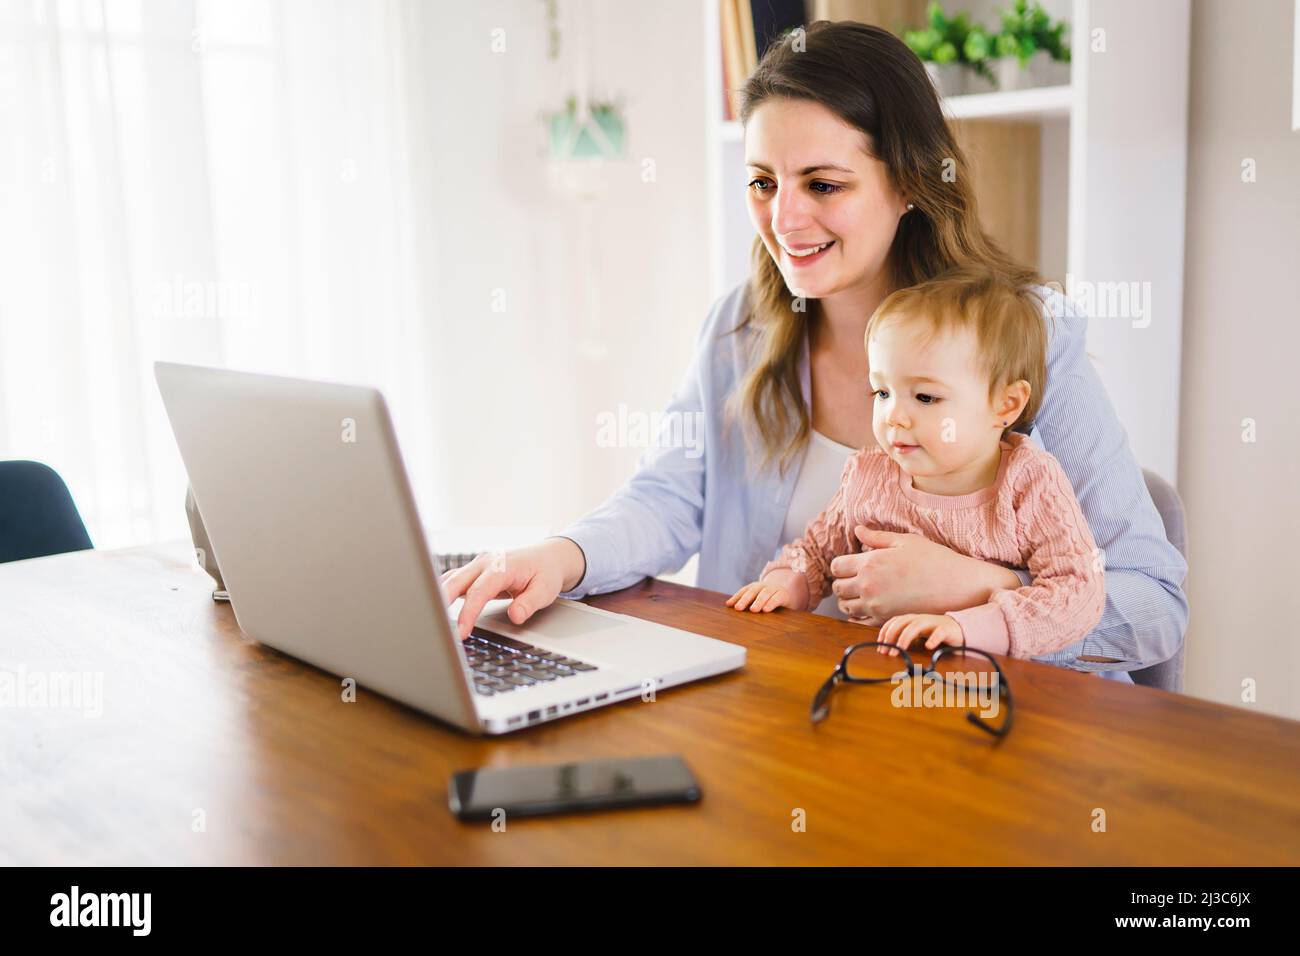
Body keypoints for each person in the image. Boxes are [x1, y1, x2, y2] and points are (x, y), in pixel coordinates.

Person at [442, 21, 1186, 682]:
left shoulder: (1030, 337)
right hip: (786, 717)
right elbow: (666, 499)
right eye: (763, 182)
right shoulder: (742, 328)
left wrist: (974, 590)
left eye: (823, 184)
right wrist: (558, 557)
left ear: (910, 186)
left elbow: (1154, 604)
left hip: (987, 742)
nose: (785, 218)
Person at [727, 267, 1106, 661]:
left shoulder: (1028, 482)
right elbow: (817, 553)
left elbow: (1078, 591)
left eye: (924, 398)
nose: (894, 416)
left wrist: (969, 626)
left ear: (1005, 404)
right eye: (883, 392)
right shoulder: (870, 475)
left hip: (991, 690)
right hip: (877, 673)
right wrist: (789, 582)